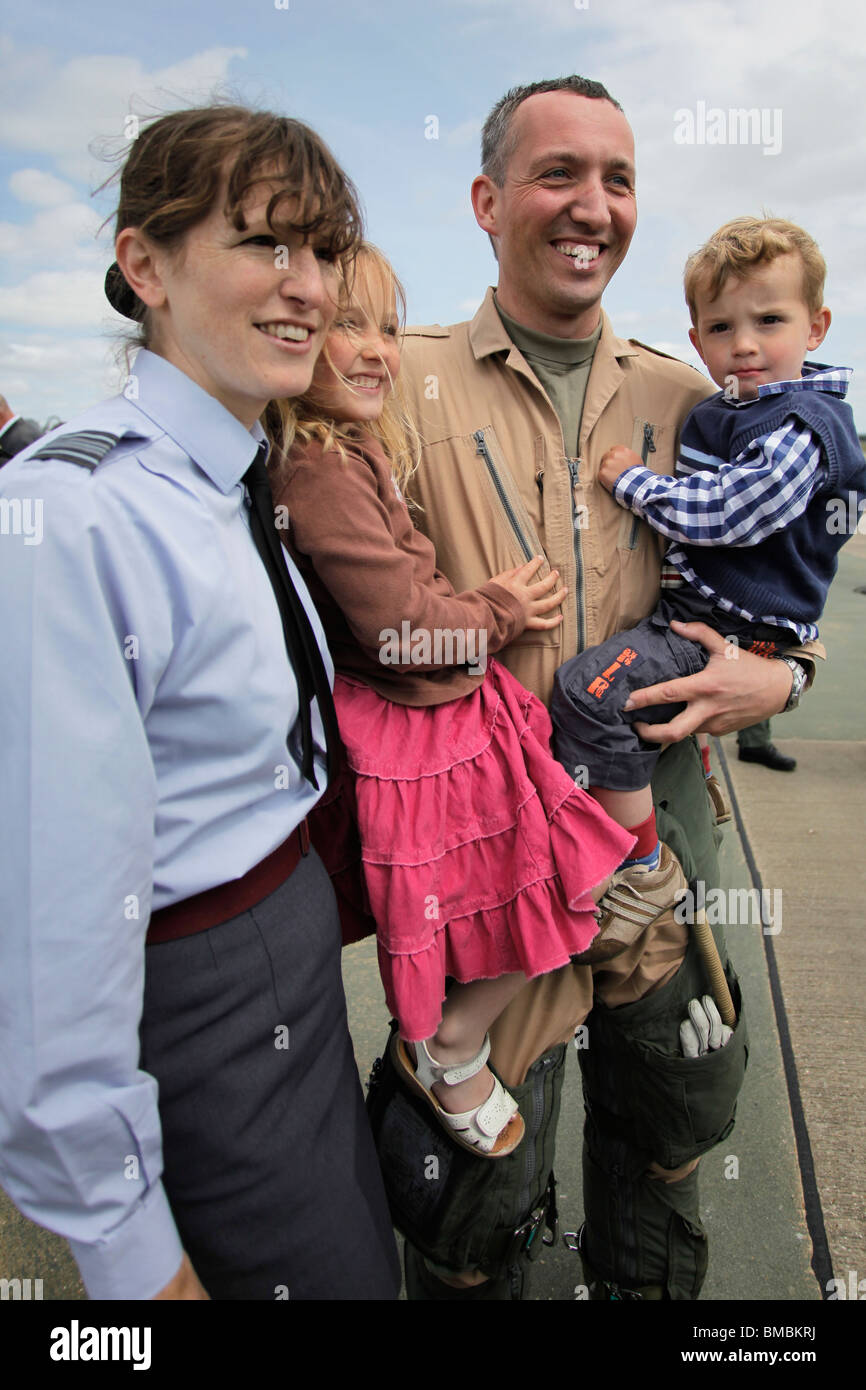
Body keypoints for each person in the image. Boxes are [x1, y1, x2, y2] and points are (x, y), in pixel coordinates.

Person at [372, 76, 821, 1301]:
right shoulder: (394, 390)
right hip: (486, 872)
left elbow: (783, 591)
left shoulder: (697, 397)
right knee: (468, 1202)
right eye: (557, 173)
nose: (591, 205)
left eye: (616, 179)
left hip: (655, 852)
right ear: (485, 199)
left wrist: (775, 680)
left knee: (669, 1137)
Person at [0, 105, 400, 1301]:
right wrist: (130, 1259)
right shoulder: (72, 519)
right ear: (145, 265)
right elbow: (52, 941)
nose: (309, 287)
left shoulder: (234, 477)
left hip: (294, 950)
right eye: (264, 244)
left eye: (322, 250)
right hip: (200, 997)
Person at [271, 242, 634, 1159]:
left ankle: (448, 1038)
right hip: (418, 727)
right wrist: (503, 606)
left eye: (387, 327)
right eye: (344, 324)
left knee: (552, 881)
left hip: (445, 715)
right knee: (557, 884)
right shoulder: (316, 466)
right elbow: (399, 628)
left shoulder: (352, 448)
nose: (376, 349)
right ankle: (450, 1042)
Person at [552, 216, 865, 957]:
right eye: (722, 327)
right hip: (714, 618)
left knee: (590, 694)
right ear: (697, 339)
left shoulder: (799, 425)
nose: (746, 344)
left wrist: (631, 481)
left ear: (817, 327)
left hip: (714, 625)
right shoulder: (723, 407)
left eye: (771, 320)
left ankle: (640, 867)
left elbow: (732, 512)